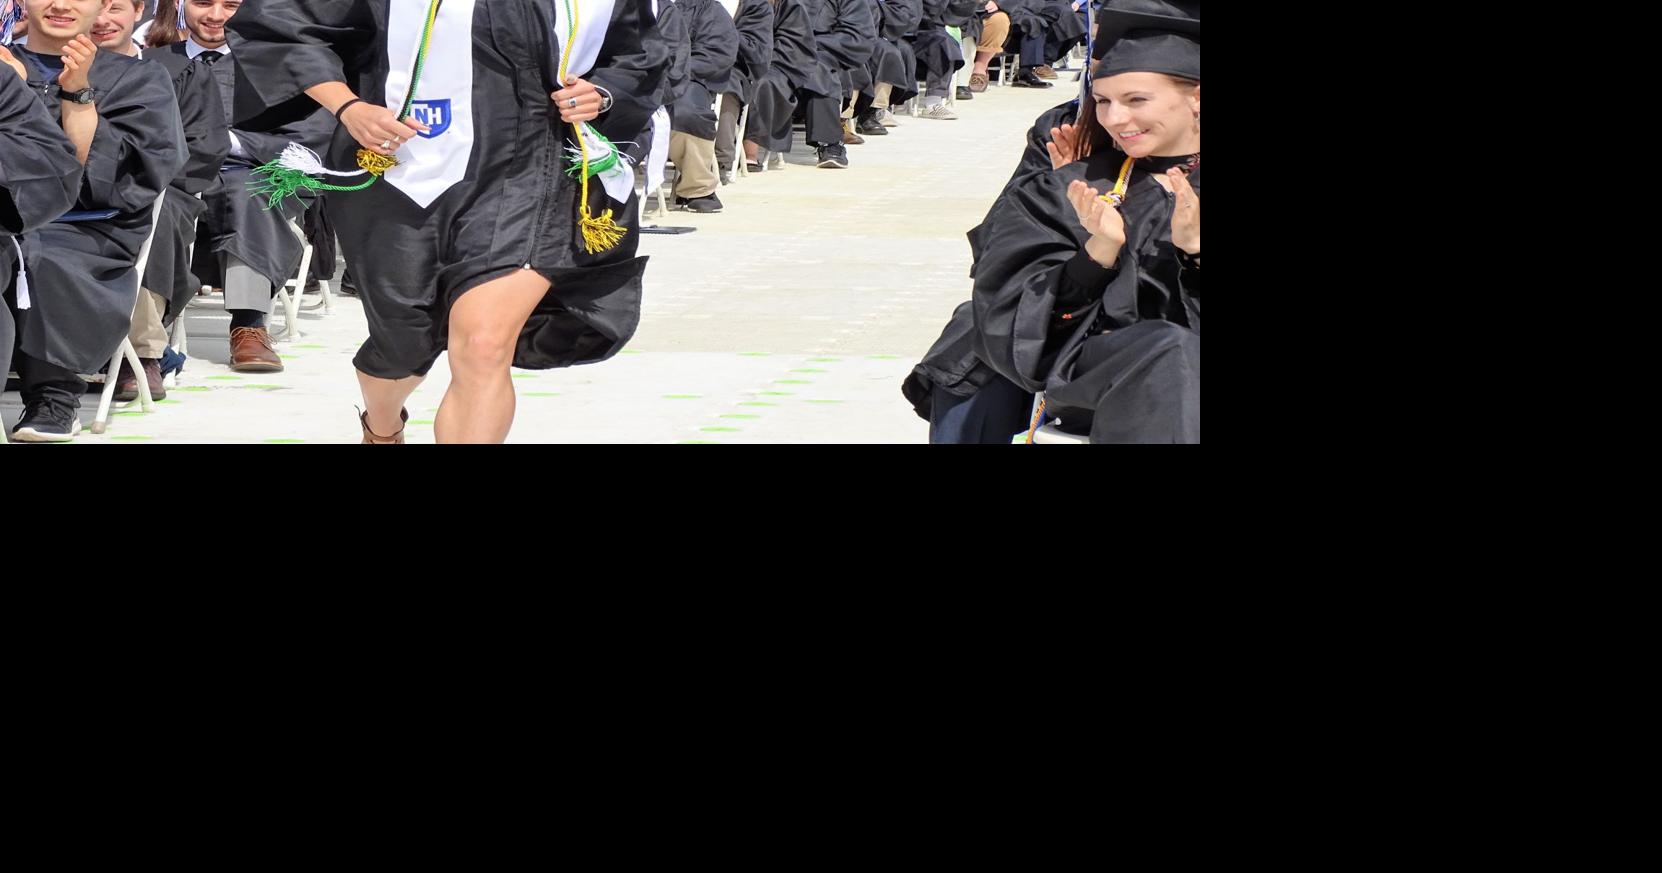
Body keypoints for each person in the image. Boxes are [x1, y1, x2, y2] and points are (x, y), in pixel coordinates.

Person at [228, 0, 668, 444]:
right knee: (402, 344)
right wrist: (350, 109)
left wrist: (604, 91)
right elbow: (284, 23)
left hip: (534, 174)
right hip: (401, 173)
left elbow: (639, 52)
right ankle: (382, 427)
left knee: (482, 346)